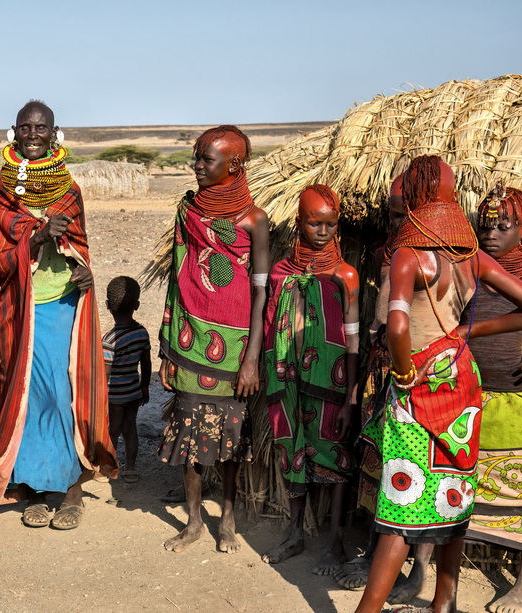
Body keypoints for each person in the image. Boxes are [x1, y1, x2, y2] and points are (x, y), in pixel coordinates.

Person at [355, 156, 522, 613]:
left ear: (413, 197)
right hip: (462, 382)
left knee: (401, 504)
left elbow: (397, 326)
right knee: (454, 494)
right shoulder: (471, 257)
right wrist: (464, 334)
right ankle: (443, 603)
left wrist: (403, 372)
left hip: (419, 388)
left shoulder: (409, 256)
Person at [0, 100, 116, 530]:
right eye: (25, 127)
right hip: (23, 307)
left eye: (41, 127)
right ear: (13, 132)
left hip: (66, 305)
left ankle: (70, 491)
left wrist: (85, 271)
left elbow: (80, 245)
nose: (33, 134)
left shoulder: (69, 188)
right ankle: (32, 487)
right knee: (27, 398)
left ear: (54, 132)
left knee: (65, 395)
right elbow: (0, 258)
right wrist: (37, 237)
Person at [157, 125, 270, 553]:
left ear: (234, 165)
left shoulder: (254, 220)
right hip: (189, 341)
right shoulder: (188, 211)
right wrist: (168, 348)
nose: (197, 166)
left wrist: (251, 359)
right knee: (189, 435)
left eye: (207, 159)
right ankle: (193, 521)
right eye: (197, 157)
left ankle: (228, 518)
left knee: (230, 440)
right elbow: (177, 278)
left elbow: (262, 291)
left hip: (235, 349)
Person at [336, 176, 435, 598]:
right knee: (378, 464)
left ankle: (419, 570)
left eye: (404, 215)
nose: (398, 224)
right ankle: (376, 552)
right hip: (382, 371)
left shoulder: (440, 259)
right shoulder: (386, 254)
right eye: (393, 216)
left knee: (423, 471)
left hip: (421, 374)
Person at [261, 185, 359, 573]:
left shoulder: (345, 275)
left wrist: (351, 396)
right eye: (314, 223)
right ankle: (295, 532)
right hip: (286, 379)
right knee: (291, 450)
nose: (322, 231)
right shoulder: (281, 272)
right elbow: (269, 322)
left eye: (330, 224)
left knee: (335, 453)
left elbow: (353, 340)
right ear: (299, 222)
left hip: (331, 383)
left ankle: (334, 540)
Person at [465, 185, 522, 613]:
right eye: (486, 225)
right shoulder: (465, 271)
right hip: (467, 398)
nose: (491, 234)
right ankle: (420, 572)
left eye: (503, 226)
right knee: (444, 485)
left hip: (517, 402)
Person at [102, 276, 151, 483]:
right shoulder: (141, 333)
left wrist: (100, 396)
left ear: (107, 305)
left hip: (114, 396)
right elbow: (146, 363)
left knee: (112, 431)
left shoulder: (109, 339)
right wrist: (144, 386)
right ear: (137, 305)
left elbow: (106, 373)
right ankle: (130, 468)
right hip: (133, 392)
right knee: (130, 429)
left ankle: (109, 467)